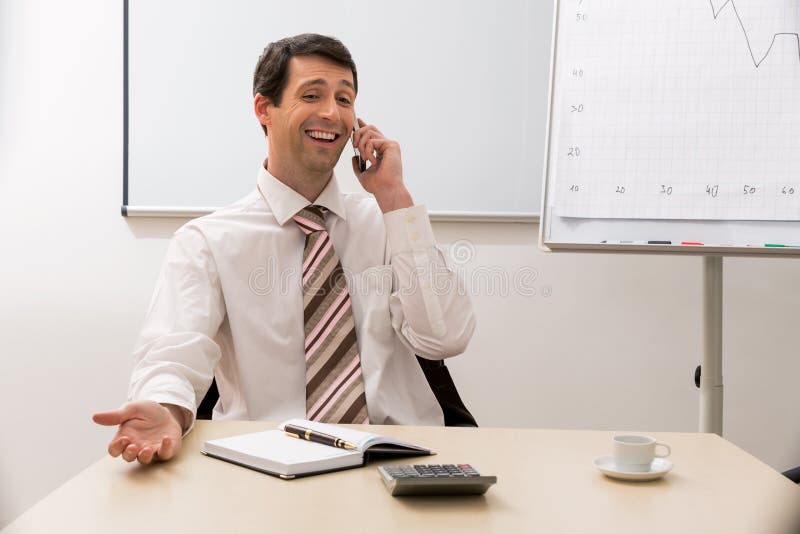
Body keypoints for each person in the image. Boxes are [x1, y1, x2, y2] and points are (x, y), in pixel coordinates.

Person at [93, 33, 475, 465]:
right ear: (263, 109)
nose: (332, 113)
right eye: (312, 95)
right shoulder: (207, 242)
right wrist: (166, 409)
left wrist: (395, 198)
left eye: (345, 99)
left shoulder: (387, 224)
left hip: (400, 460)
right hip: (267, 464)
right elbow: (174, 350)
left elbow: (445, 337)